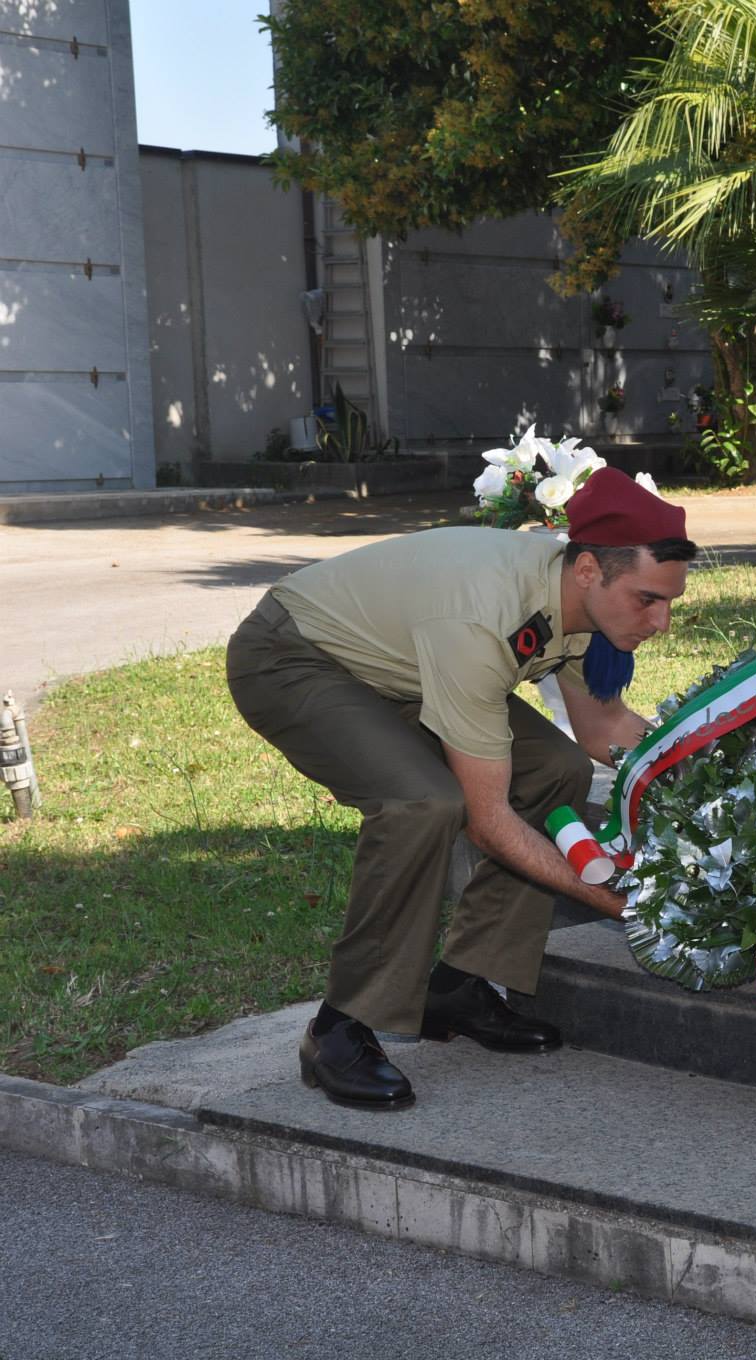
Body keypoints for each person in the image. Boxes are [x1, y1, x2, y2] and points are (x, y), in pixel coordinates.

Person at [225, 469, 695, 1110]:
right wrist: (624, 903)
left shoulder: (581, 607)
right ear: (588, 569)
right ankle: (338, 1028)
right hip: (295, 658)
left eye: (669, 601)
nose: (662, 621)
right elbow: (487, 821)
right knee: (424, 804)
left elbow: (604, 727)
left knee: (558, 770)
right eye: (648, 599)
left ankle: (459, 983)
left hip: (404, 670)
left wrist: (704, 776)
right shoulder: (484, 616)